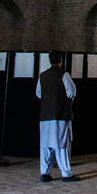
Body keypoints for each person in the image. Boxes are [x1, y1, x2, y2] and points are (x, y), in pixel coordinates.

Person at [36, 51, 79, 182]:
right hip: (60, 115)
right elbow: (72, 92)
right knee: (61, 145)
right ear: (61, 60)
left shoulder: (42, 75)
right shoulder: (64, 74)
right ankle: (66, 173)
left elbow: (38, 93)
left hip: (45, 116)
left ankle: (45, 173)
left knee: (45, 146)